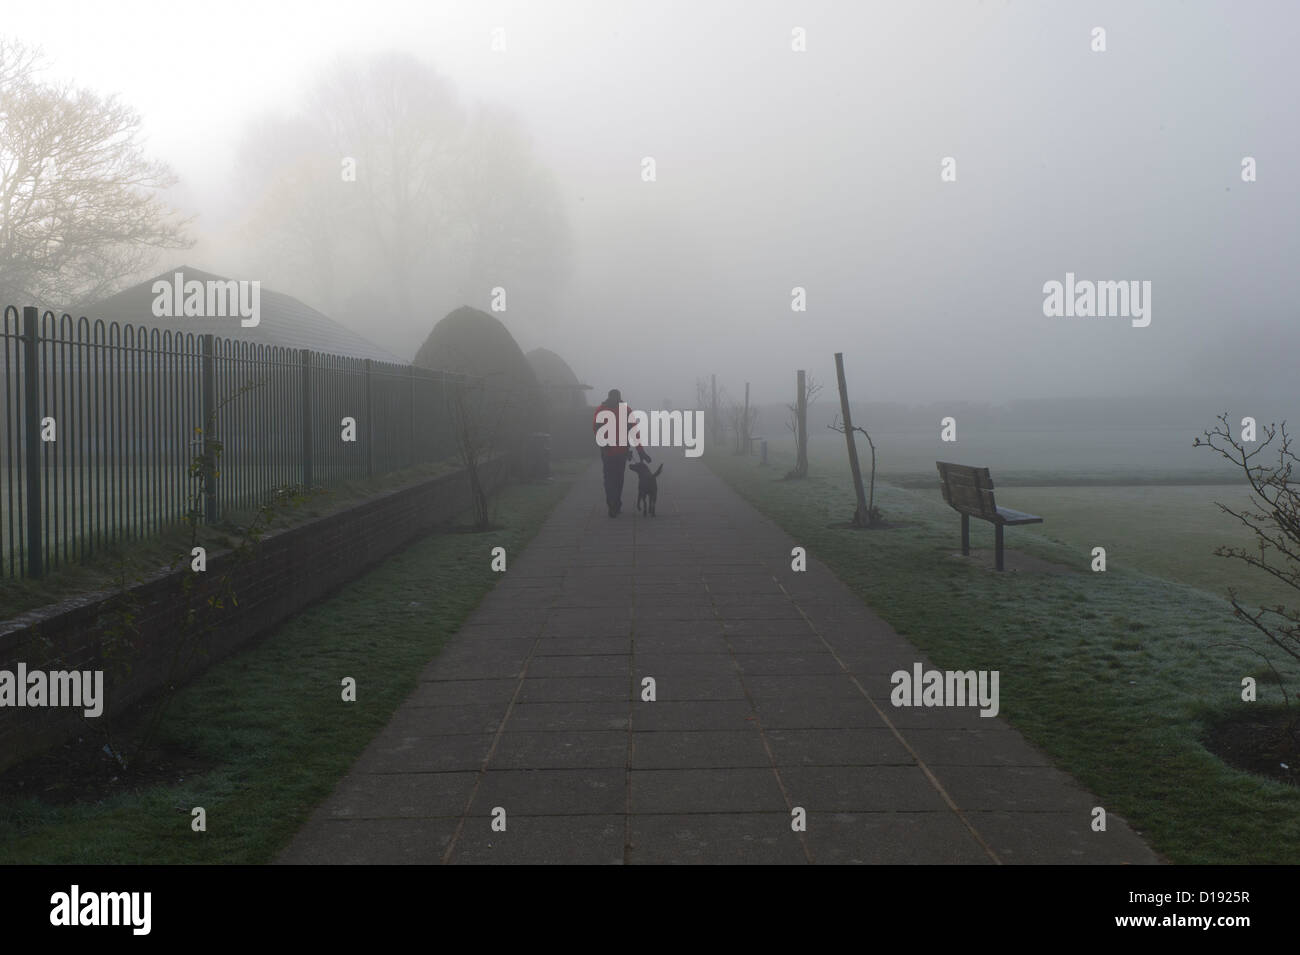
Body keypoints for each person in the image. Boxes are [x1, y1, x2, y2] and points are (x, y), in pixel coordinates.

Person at [593, 388, 650, 517]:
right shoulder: (626, 411)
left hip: (608, 452)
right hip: (621, 452)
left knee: (609, 479)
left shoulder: (601, 410)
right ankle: (616, 504)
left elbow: (596, 429)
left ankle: (612, 504)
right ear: (619, 397)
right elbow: (634, 433)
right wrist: (641, 451)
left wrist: (603, 443)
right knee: (618, 479)